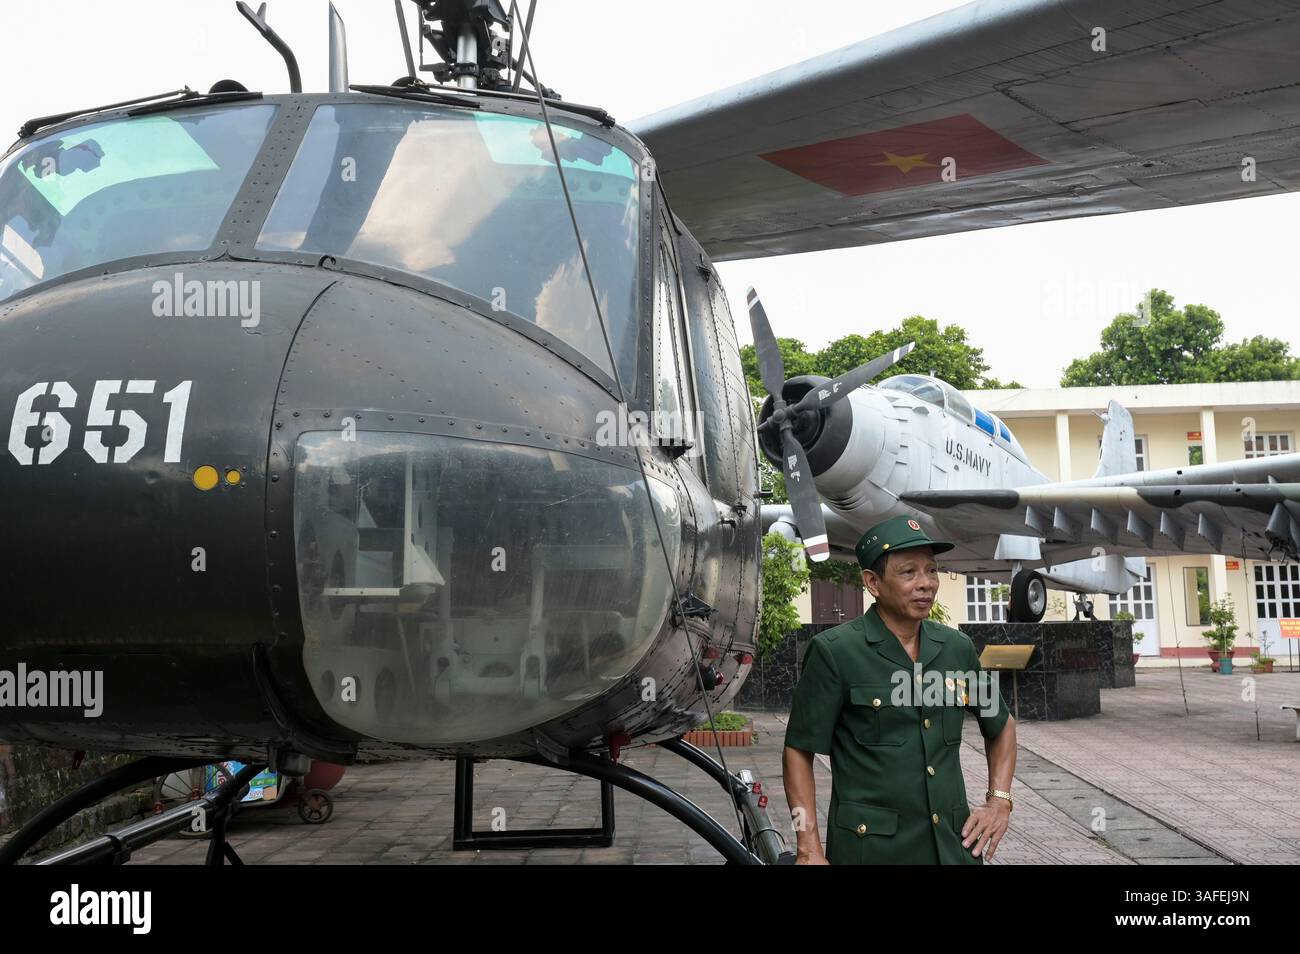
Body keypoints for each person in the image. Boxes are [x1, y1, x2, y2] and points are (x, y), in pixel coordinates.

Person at [782, 515, 1017, 864]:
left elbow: (1002, 726)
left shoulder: (956, 648)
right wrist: (808, 848)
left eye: (932, 571)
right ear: (873, 582)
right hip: (872, 851)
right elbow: (798, 752)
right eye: (909, 573)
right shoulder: (836, 652)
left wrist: (999, 800)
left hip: (953, 848)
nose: (926, 584)